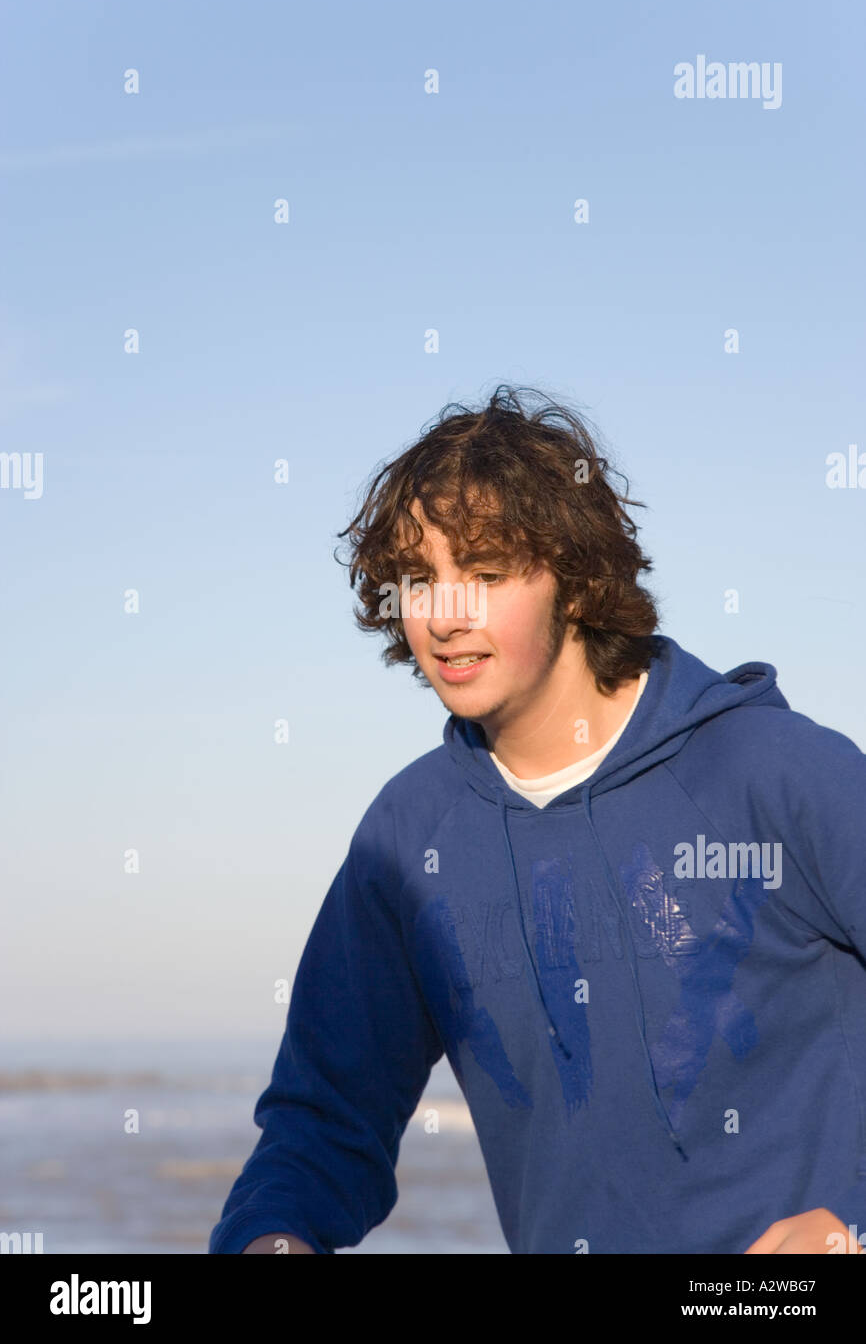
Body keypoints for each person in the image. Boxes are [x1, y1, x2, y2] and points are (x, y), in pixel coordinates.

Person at [209, 384, 866, 1255]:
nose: (444, 617)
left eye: (484, 575)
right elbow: (326, 1119)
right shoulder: (410, 840)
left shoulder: (776, 776)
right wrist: (273, 1238)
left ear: (580, 582)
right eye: (418, 579)